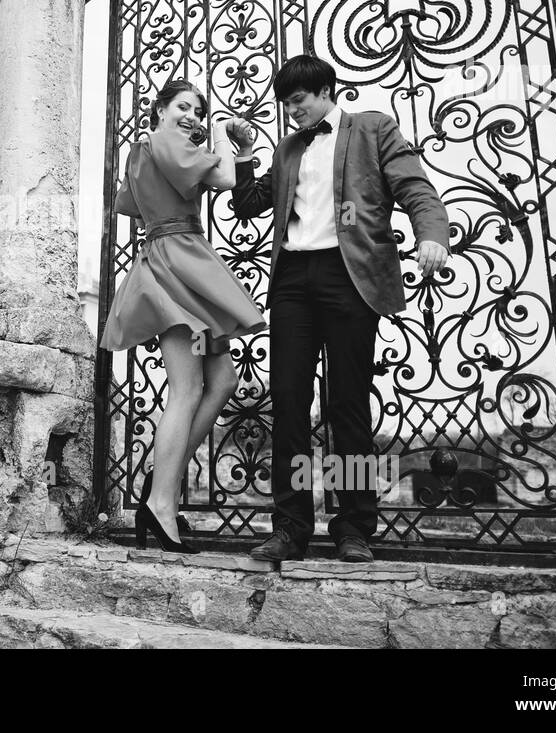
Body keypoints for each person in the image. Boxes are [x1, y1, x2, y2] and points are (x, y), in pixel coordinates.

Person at [227, 54, 450, 563]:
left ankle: (353, 526)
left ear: (327, 90)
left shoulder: (373, 129)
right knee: (286, 399)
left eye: (298, 101)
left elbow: (414, 187)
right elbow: (246, 203)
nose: (291, 112)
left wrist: (431, 235)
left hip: (348, 277)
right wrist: (244, 155)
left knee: (345, 403)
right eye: (285, 105)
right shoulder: (287, 149)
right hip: (293, 281)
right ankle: (290, 527)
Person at [100, 78, 266, 553]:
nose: (191, 115)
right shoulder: (162, 140)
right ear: (159, 109)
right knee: (189, 387)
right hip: (175, 266)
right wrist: (218, 130)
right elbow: (229, 181)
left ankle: (163, 479)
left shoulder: (154, 149)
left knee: (223, 382)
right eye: (183, 107)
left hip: (183, 260)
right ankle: (162, 504)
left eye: (198, 109)